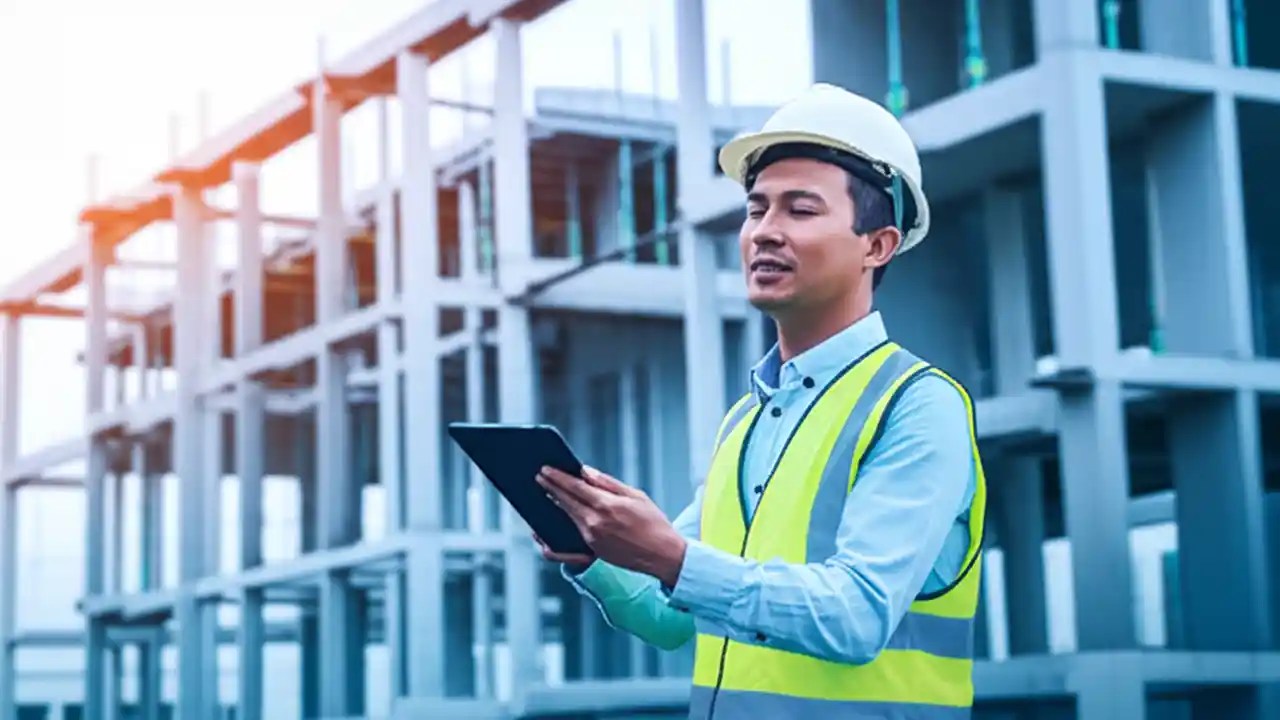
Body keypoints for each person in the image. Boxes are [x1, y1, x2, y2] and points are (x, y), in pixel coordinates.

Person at [535, 82, 987, 720]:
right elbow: (669, 618)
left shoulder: (918, 405)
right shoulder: (748, 419)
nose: (765, 232)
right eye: (756, 210)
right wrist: (593, 549)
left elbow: (856, 616)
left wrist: (670, 554)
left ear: (877, 245)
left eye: (800, 210)